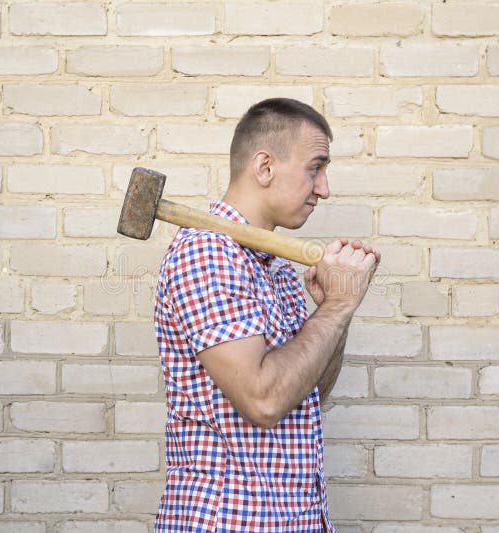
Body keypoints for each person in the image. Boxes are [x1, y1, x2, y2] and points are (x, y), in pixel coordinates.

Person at [153, 98, 381, 532]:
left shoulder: (272, 267)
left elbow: (311, 391)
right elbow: (264, 400)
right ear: (264, 167)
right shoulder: (208, 254)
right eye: (316, 167)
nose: (324, 188)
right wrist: (335, 308)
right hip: (230, 521)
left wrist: (336, 310)